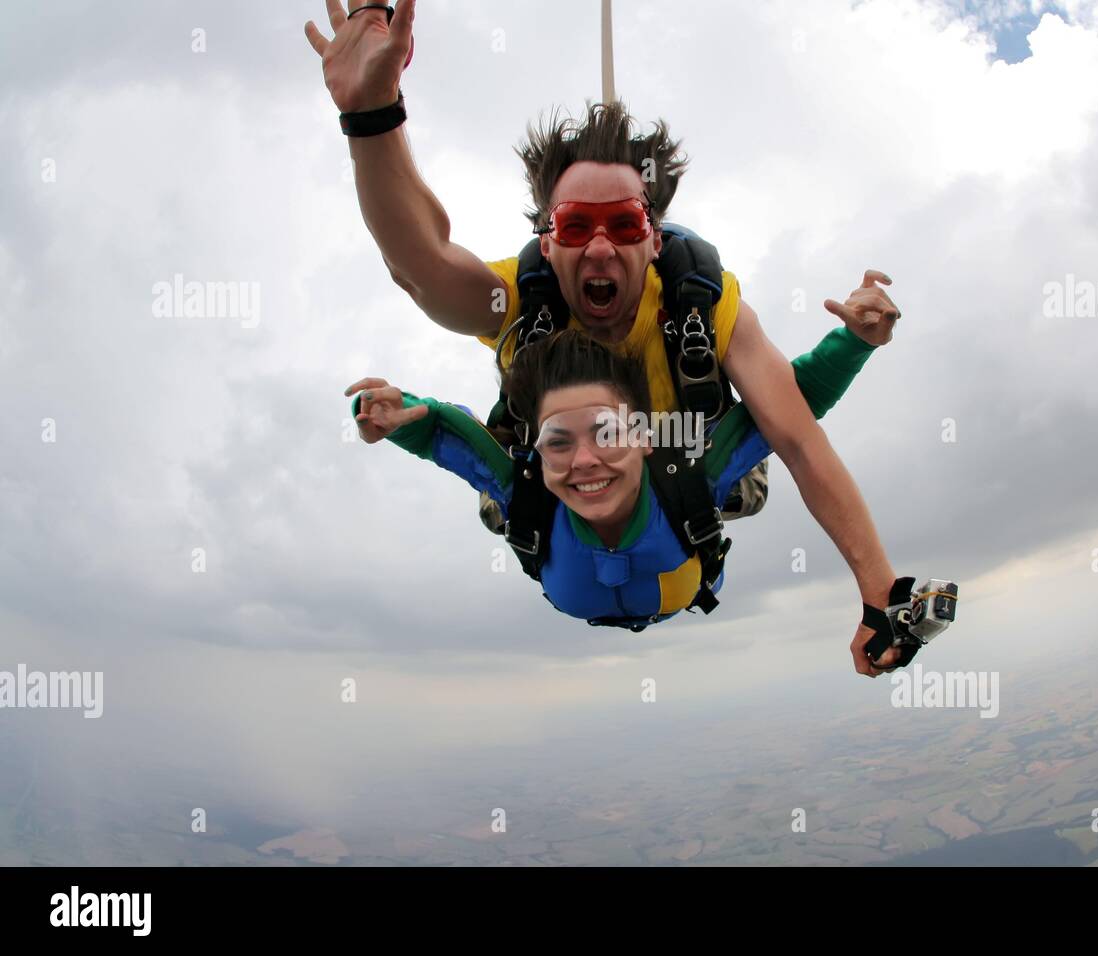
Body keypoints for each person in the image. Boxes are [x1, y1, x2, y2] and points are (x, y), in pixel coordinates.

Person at [308, 0, 909, 675]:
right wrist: (372, 116)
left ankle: (678, 478)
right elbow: (419, 265)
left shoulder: (702, 303)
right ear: (547, 240)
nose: (598, 246)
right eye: (575, 226)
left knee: (755, 432)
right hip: (552, 483)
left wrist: (880, 593)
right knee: (519, 481)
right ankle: (542, 467)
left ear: (654, 240)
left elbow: (797, 435)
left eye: (623, 225)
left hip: (688, 459)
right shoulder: (517, 298)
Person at [346, 315, 905, 674]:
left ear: (642, 435)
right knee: (501, 491)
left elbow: (790, 401)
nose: (585, 458)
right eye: (559, 441)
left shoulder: (691, 479)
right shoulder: (530, 493)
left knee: (739, 486)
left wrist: (856, 339)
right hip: (614, 538)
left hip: (672, 503)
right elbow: (451, 437)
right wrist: (401, 416)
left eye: (607, 432)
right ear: (539, 450)